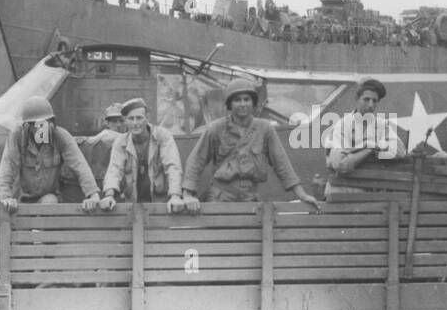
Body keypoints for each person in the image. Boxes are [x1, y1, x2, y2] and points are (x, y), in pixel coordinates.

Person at [181, 79, 319, 207]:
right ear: (230, 104)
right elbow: (196, 160)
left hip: (250, 199)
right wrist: (187, 194)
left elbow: (281, 163)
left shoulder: (265, 129)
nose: (242, 104)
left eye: (246, 99)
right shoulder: (216, 128)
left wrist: (302, 195)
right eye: (237, 100)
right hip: (220, 198)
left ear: (253, 102)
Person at [0, 97, 100, 212]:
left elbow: (80, 166)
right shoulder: (17, 137)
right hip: (21, 200)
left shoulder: (60, 136)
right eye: (37, 125)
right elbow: (7, 168)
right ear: (28, 126)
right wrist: (6, 198)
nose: (42, 129)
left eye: (45, 124)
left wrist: (92, 194)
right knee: (12, 213)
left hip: (48, 198)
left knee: (50, 202)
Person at [324, 77, 407, 199]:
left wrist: (374, 145)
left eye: (375, 101)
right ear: (357, 99)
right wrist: (368, 150)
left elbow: (400, 151)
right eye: (366, 99)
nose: (370, 105)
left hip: (370, 194)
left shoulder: (381, 125)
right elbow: (341, 165)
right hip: (341, 192)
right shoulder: (342, 126)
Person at [100, 98, 186, 212]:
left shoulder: (162, 136)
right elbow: (114, 170)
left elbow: (173, 166)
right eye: (131, 119)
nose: (135, 123)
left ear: (147, 118)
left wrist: (175, 195)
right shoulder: (121, 142)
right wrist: (109, 195)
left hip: (160, 204)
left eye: (139, 118)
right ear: (125, 120)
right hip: (132, 205)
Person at [82, 103, 127, 189]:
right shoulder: (103, 137)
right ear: (107, 123)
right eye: (114, 121)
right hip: (106, 183)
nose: (118, 125)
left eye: (121, 121)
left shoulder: (133, 138)